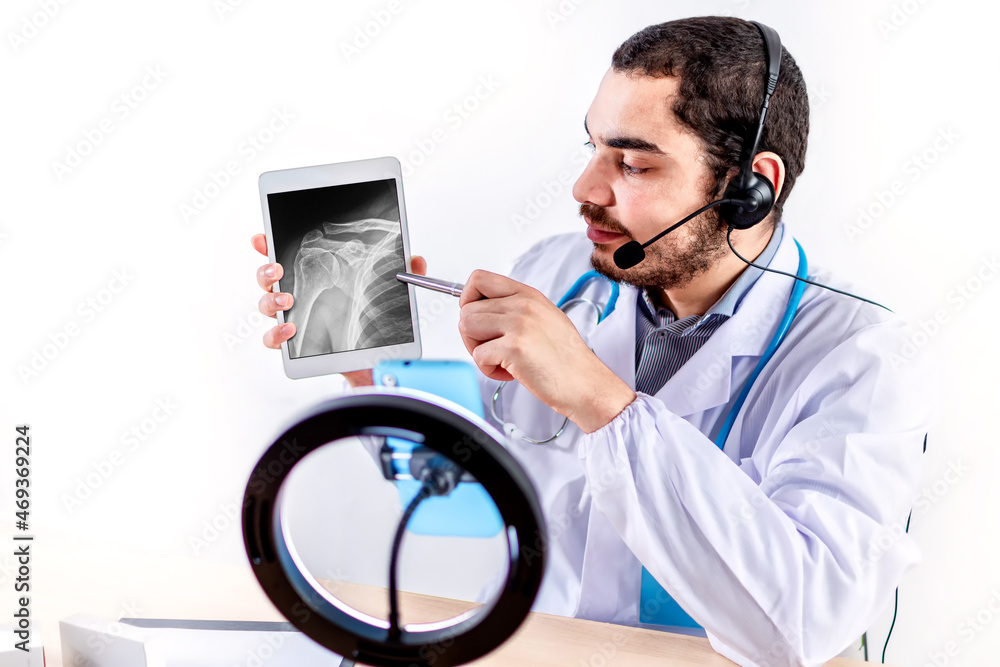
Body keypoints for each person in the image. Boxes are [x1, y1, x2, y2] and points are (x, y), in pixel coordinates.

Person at [252, 16, 933, 667]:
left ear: (751, 188)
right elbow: (472, 495)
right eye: (593, 149)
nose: (585, 189)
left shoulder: (860, 357)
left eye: (633, 164)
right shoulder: (558, 275)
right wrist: (372, 371)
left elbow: (801, 624)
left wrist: (598, 398)